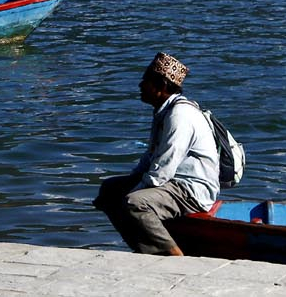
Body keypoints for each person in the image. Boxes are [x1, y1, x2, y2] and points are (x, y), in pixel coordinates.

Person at [92, 52, 220, 256]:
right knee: (109, 190)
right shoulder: (163, 112)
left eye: (145, 81)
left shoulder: (180, 115)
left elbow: (165, 166)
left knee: (134, 203)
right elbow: (150, 157)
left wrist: (136, 190)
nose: (140, 86)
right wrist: (133, 180)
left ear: (160, 86)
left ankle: (172, 254)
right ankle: (143, 246)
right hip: (172, 183)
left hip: (190, 189)